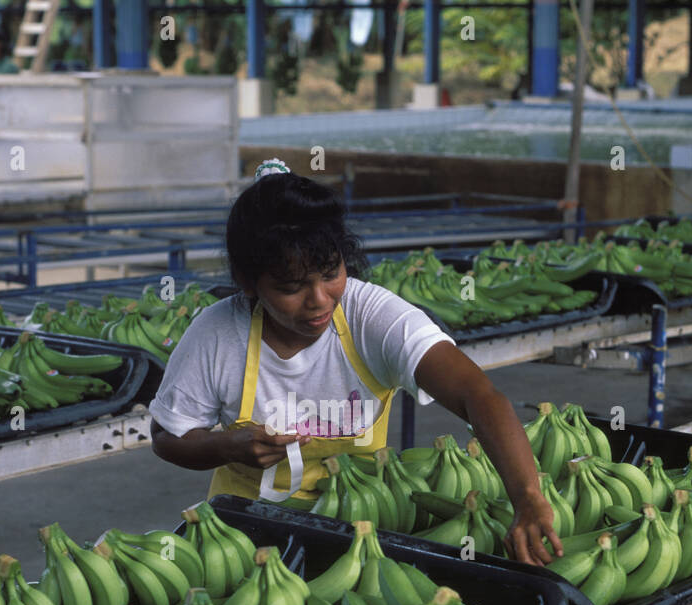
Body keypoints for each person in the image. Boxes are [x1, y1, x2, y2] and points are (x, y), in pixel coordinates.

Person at [149, 160, 564, 566]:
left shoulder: (373, 316)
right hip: (246, 533)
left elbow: (478, 395)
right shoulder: (219, 333)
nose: (318, 300)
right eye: (292, 287)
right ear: (246, 281)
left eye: (331, 274)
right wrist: (225, 446)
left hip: (363, 531)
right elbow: (167, 436)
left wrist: (528, 498)